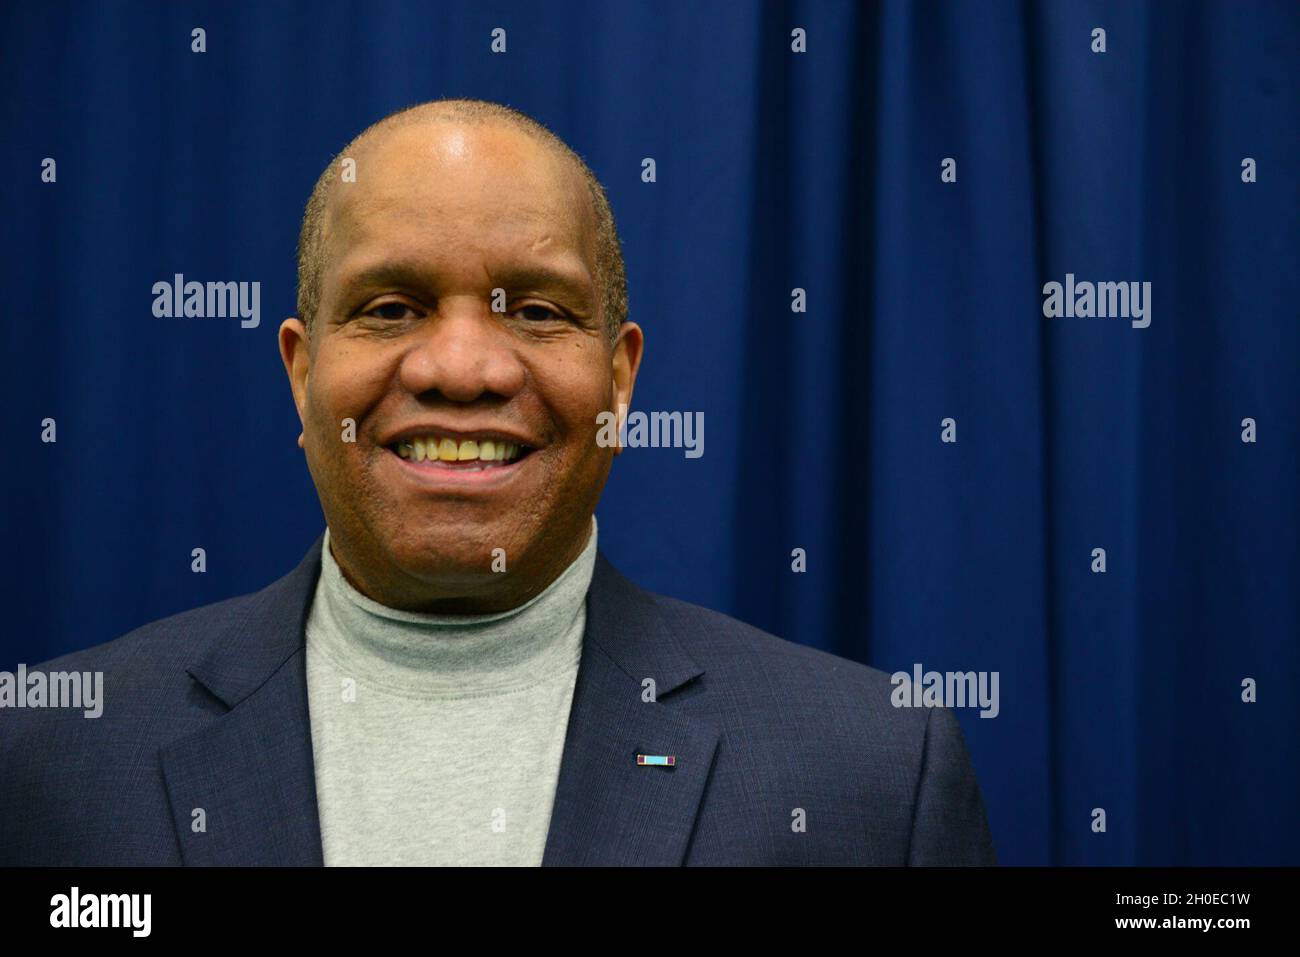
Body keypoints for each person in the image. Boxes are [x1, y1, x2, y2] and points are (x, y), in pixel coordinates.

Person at [0, 99, 995, 866]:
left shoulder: (875, 773)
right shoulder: (49, 756)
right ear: (301, 373)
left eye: (536, 312)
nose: (463, 369)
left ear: (620, 375)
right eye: (391, 307)